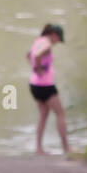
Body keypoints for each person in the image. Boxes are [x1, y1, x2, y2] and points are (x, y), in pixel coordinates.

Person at [27, 24, 70, 155]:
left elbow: (29, 55)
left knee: (43, 116)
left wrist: (35, 68)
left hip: (34, 84)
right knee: (61, 113)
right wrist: (40, 68)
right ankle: (66, 148)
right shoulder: (47, 44)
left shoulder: (38, 41)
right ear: (54, 35)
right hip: (45, 85)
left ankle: (38, 149)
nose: (57, 42)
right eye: (58, 39)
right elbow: (37, 56)